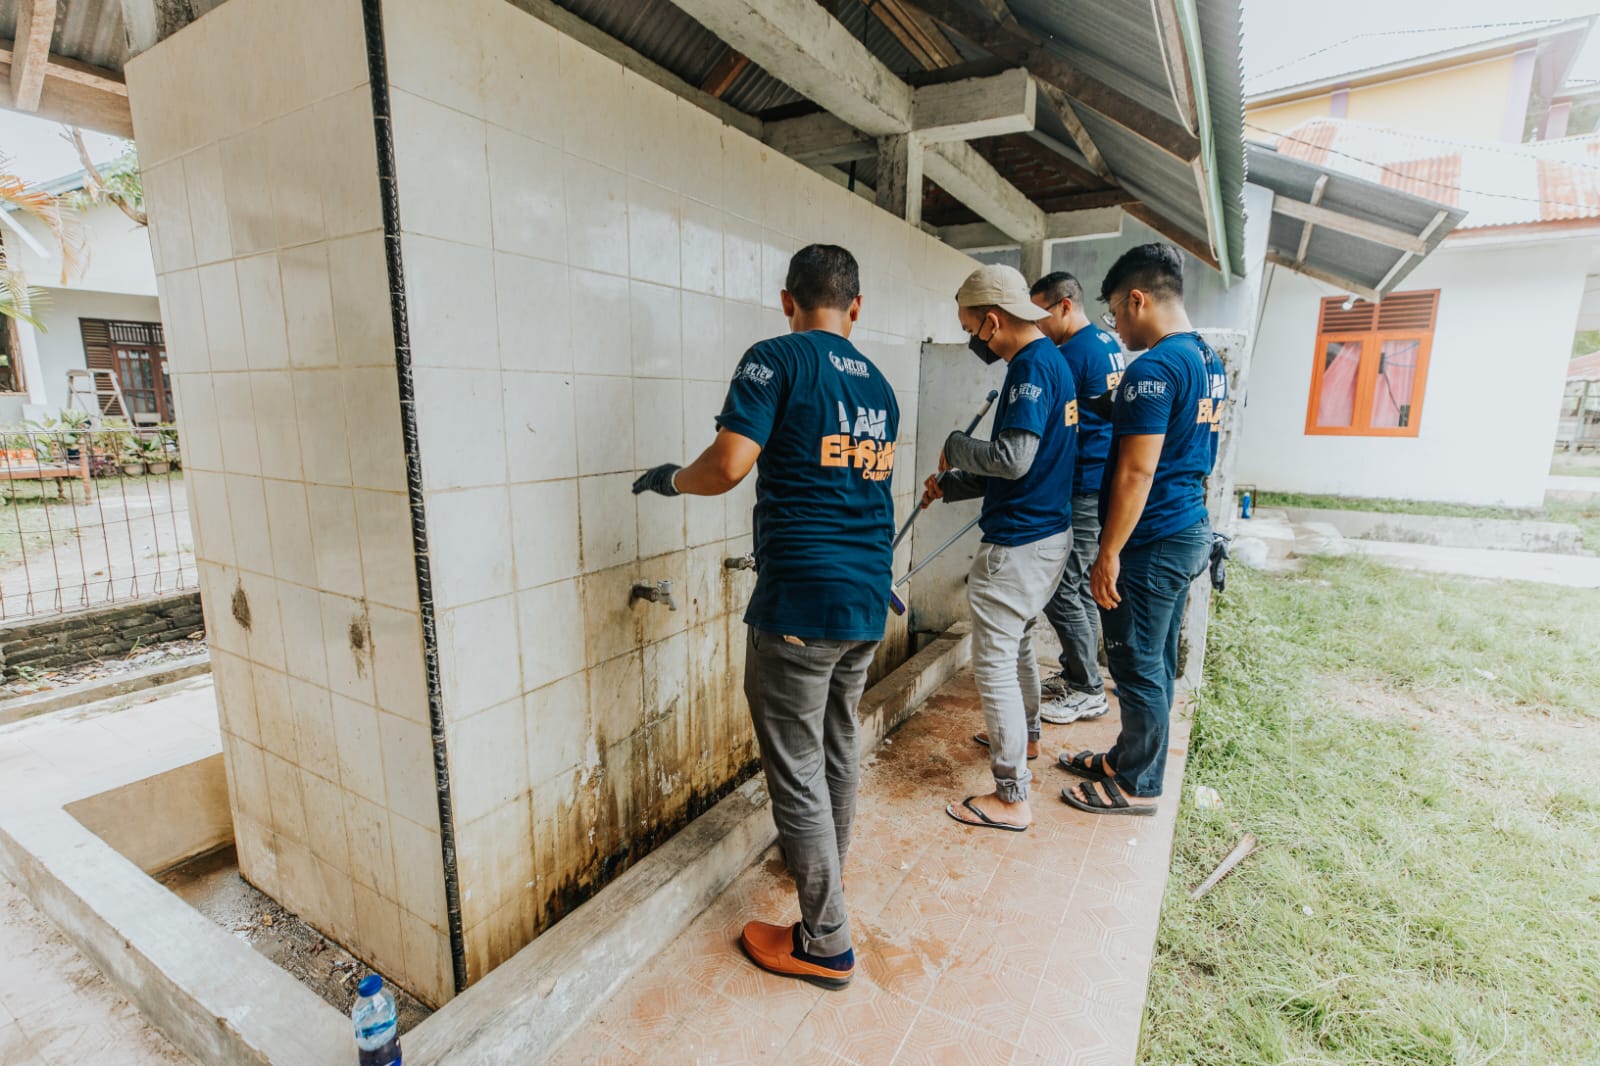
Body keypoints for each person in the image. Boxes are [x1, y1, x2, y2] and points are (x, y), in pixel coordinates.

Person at [633, 244, 897, 989]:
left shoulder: (774, 357)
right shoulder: (877, 382)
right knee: (838, 746)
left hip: (801, 599)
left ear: (788, 301)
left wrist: (669, 481)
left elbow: (729, 464)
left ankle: (825, 941)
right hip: (865, 597)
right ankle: (825, 877)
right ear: (856, 307)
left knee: (795, 767)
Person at [1059, 243, 1226, 818]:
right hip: (1187, 527)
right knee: (1154, 659)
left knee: (1136, 662)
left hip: (1151, 540)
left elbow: (1137, 468)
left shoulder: (1152, 367)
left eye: (1115, 313)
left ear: (1138, 299)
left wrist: (1109, 552)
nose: (1116, 328)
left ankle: (1136, 785)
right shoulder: (1204, 359)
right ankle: (1129, 758)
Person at [922, 263, 1077, 833]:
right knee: (1015, 650)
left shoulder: (1030, 368)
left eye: (971, 329)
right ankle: (1029, 738)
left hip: (1018, 545)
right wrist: (956, 483)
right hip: (1045, 535)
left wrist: (955, 446)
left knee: (992, 663)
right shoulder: (1051, 361)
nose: (972, 340)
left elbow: (1012, 459)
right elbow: (1023, 468)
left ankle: (1011, 795)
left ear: (993, 320)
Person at [1029, 271, 1126, 726]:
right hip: (1095, 482)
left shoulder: (1070, 354)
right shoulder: (1107, 344)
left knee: (1060, 586)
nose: (1036, 325)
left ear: (1064, 305)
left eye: (1039, 314)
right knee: (1080, 584)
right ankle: (1077, 675)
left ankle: (1088, 687)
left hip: (1082, 483)